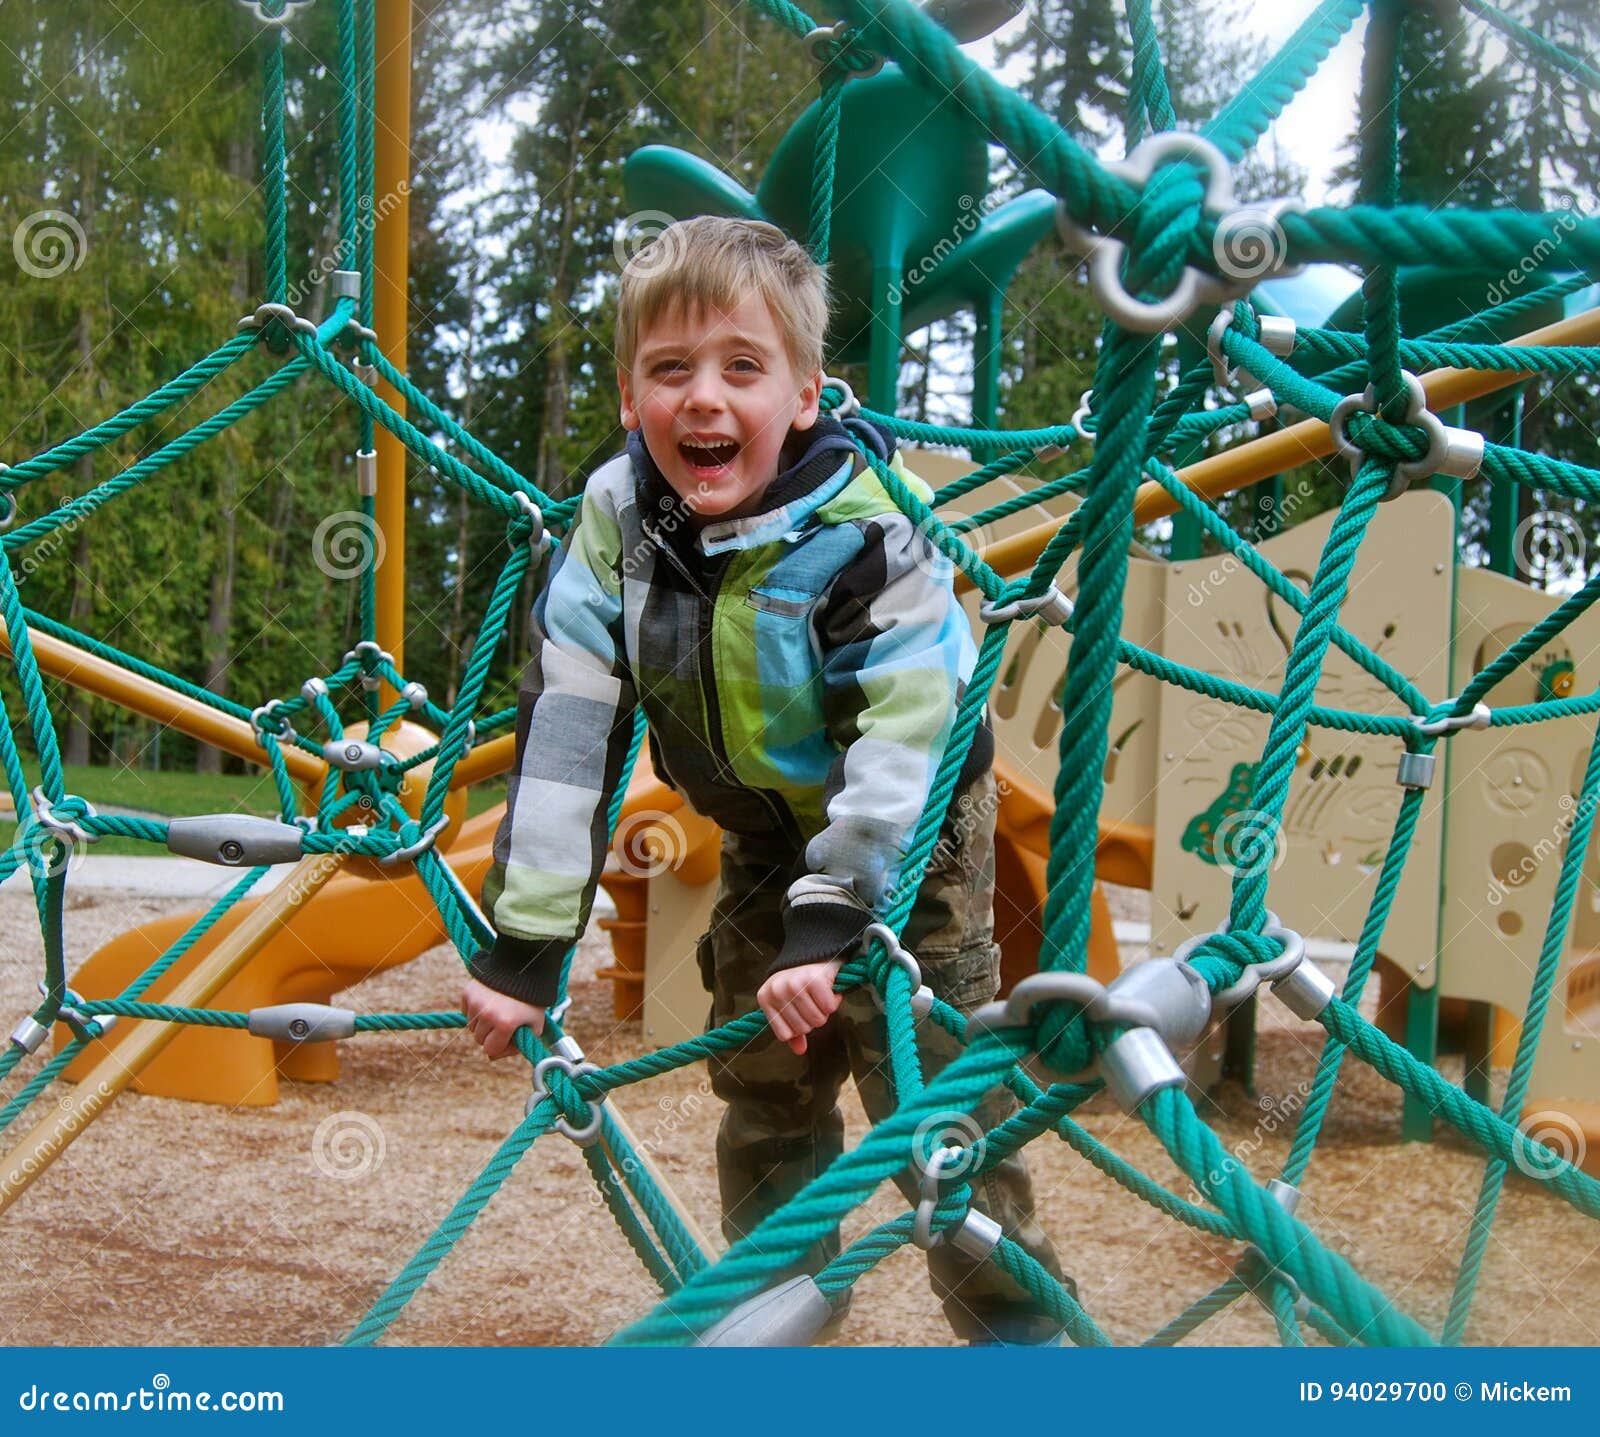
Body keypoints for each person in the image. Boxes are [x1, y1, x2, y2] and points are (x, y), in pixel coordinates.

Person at [462, 215, 1067, 1343]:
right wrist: (527, 949)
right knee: (763, 1078)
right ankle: (779, 1323)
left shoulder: (871, 534)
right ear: (631, 395)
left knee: (934, 1098)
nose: (704, 397)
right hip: (759, 826)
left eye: (742, 367)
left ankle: (1018, 1341)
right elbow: (568, 733)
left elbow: (902, 738)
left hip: (913, 829)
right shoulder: (613, 528)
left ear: (802, 397)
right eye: (670, 369)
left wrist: (833, 920)